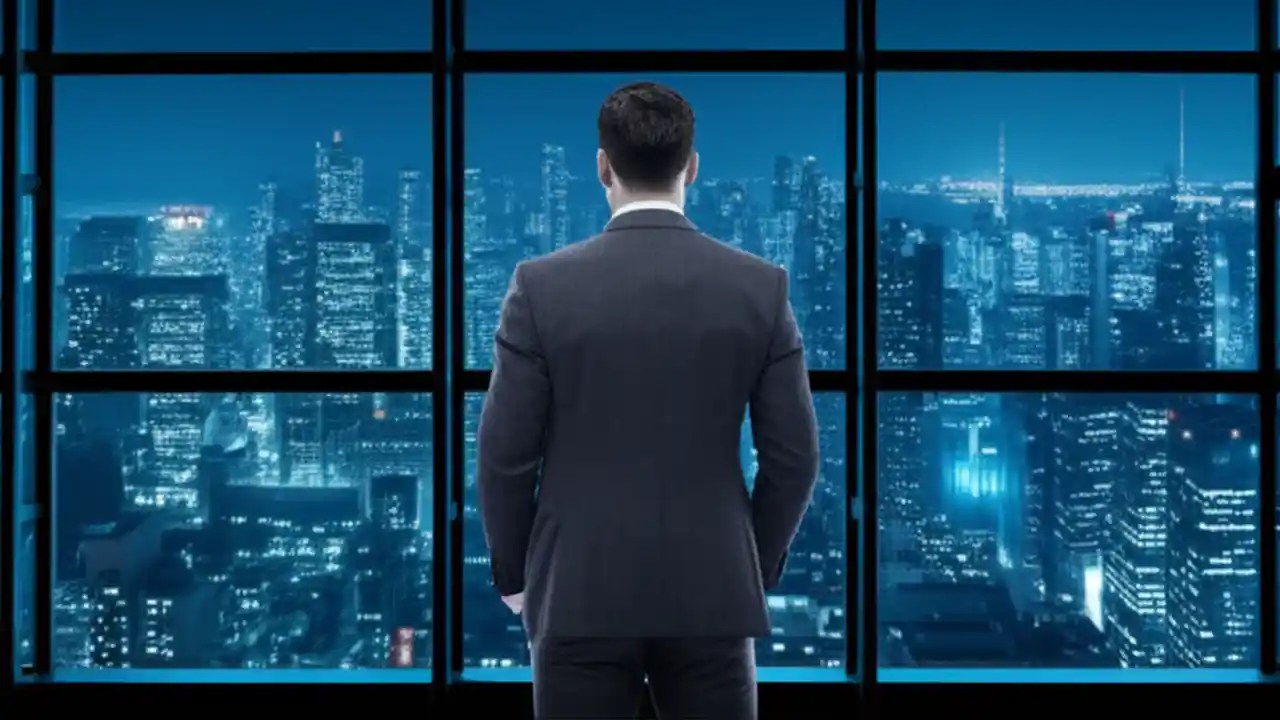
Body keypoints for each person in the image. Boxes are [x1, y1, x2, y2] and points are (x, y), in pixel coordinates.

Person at [477, 81, 820, 720]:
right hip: (712, 591)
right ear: (692, 167)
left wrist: (518, 578)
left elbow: (504, 457)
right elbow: (794, 459)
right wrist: (751, 564)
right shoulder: (759, 289)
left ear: (602, 166)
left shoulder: (540, 289)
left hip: (578, 592)